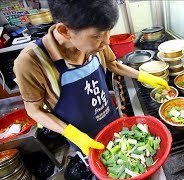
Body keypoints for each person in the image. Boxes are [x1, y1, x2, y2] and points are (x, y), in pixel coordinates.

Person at [13, 0, 169, 156]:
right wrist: (73, 134)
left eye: (108, 32)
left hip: (112, 120)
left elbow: (113, 65)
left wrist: (144, 76)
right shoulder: (30, 62)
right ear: (65, 31)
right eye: (98, 36)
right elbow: (34, 111)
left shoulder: (96, 43)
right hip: (83, 137)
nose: (107, 41)